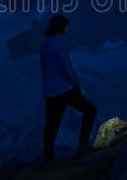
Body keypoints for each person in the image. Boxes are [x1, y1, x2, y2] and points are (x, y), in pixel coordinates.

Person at [40, 14, 97, 161]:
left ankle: (47, 160)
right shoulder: (59, 43)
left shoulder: (45, 44)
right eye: (66, 26)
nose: (67, 29)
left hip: (49, 91)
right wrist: (78, 87)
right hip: (63, 89)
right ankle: (82, 146)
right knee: (90, 110)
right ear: (61, 27)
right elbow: (68, 68)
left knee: (51, 126)